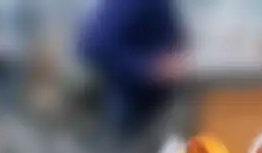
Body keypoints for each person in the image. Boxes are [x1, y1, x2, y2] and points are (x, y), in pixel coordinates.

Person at [78, 0, 188, 137]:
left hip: (162, 101)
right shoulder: (127, 4)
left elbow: (172, 34)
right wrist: (148, 69)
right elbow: (93, 47)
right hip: (129, 102)